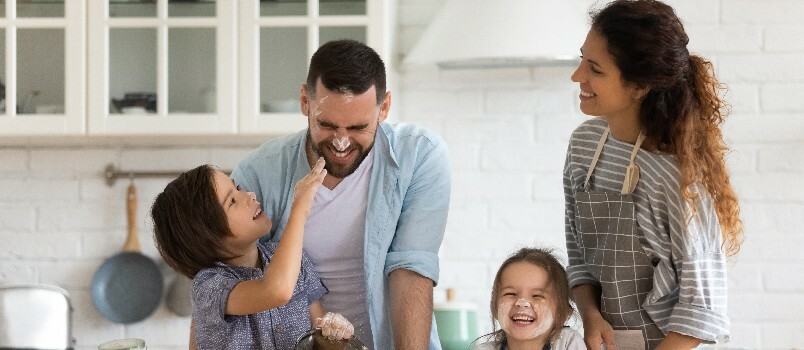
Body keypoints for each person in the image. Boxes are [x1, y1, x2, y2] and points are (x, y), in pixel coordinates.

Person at [231, 39, 451, 349]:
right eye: (327, 125)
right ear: (305, 101)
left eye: (358, 127)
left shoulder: (419, 156)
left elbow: (411, 268)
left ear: (384, 107)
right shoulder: (258, 173)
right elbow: (221, 277)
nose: (341, 142)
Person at [563, 1, 744, 349]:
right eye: (582, 58)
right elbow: (579, 258)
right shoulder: (583, 146)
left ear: (639, 86)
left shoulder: (677, 180)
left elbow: (702, 311)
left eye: (595, 69)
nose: (577, 76)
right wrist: (590, 316)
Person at [151, 159, 355, 349]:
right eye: (231, 201)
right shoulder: (208, 287)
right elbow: (276, 291)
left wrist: (334, 332)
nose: (249, 195)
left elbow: (319, 338)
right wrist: (300, 209)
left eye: (237, 188)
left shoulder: (294, 261)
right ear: (204, 235)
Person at [473, 247, 585, 350]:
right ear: (494, 307)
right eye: (510, 294)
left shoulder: (567, 342)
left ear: (562, 313)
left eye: (537, 296)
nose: (522, 302)